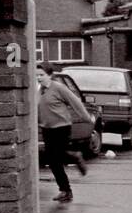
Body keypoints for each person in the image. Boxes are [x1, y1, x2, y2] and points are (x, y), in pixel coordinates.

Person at [37, 63, 93, 202]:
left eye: (41, 75)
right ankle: (65, 191)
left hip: (62, 127)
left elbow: (76, 102)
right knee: (52, 160)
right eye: (36, 75)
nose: (38, 78)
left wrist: (87, 118)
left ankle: (75, 156)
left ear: (49, 75)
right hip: (47, 128)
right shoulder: (39, 90)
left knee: (57, 155)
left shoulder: (59, 88)